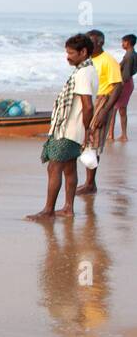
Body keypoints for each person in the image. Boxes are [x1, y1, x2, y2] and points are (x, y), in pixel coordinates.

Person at [29, 35, 97, 221]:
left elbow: (88, 105)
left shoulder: (83, 73)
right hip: (74, 129)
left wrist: (87, 131)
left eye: (71, 53)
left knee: (54, 167)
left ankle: (48, 211)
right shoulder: (88, 69)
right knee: (69, 168)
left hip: (69, 129)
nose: (67, 57)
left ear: (83, 52)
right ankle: (68, 208)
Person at [80, 29, 121, 195]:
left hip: (102, 100)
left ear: (101, 42)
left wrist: (105, 111)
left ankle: (90, 183)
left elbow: (118, 86)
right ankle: (88, 182)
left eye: (92, 42)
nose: (88, 45)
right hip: (90, 100)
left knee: (94, 144)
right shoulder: (89, 60)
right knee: (87, 141)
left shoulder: (108, 60)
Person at [111, 33, 134, 143]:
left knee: (117, 109)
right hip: (128, 83)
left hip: (124, 83)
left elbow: (126, 73)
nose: (122, 44)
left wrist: (119, 85)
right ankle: (115, 134)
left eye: (123, 42)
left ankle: (118, 135)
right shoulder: (132, 54)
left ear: (128, 42)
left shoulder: (129, 56)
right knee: (118, 109)